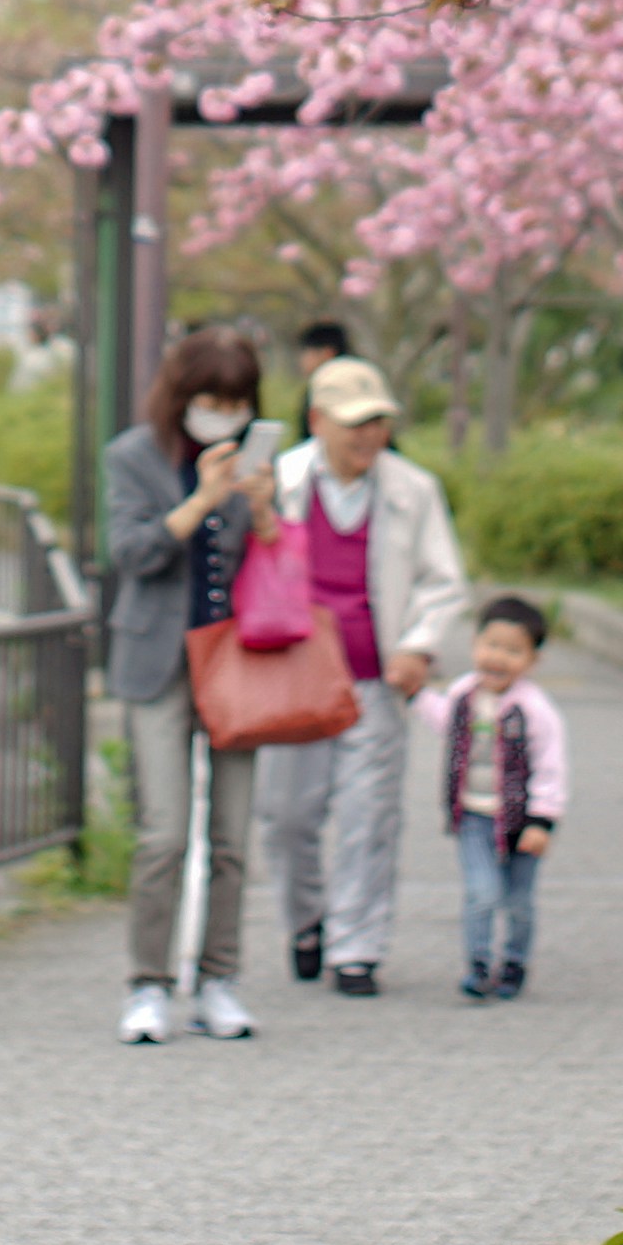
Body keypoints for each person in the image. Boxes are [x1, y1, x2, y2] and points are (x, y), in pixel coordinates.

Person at [260, 355, 472, 996]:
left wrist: (418, 646)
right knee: (287, 816)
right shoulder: (276, 480)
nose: (366, 436)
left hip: (374, 680)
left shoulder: (412, 488)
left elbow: (443, 580)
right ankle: (306, 922)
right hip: (294, 678)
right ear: (318, 420)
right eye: (353, 423)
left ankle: (357, 948)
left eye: (377, 423)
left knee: (368, 816)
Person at [99, 324, 277, 1045]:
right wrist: (202, 500)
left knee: (231, 836)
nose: (223, 416)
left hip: (237, 660)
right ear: (181, 396)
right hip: (159, 660)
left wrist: (261, 508)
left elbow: (275, 562)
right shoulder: (133, 457)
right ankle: (148, 985)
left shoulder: (255, 461)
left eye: (236, 403)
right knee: (164, 834)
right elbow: (131, 553)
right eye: (210, 400)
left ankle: (219, 981)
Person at [424, 593, 570, 1000]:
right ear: (474, 646)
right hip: (474, 814)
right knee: (482, 891)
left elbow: (551, 767)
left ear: (532, 661)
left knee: (518, 900)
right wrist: (417, 695)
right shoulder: (464, 695)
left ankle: (515, 961)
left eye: (513, 651)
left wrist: (543, 820)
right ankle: (478, 964)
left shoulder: (536, 710)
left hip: (522, 820)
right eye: (491, 646)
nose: (498, 659)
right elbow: (443, 722)